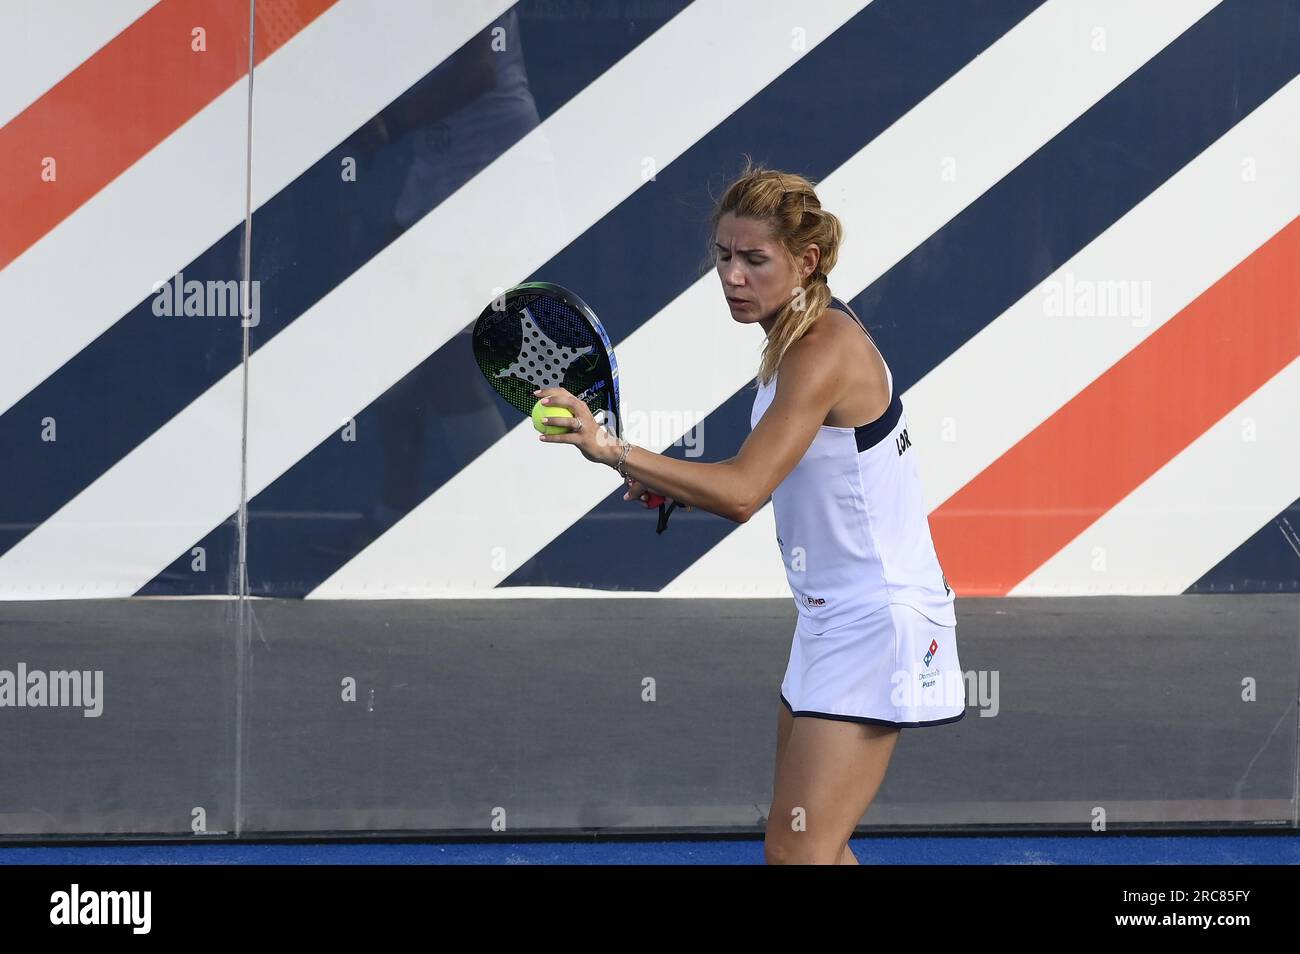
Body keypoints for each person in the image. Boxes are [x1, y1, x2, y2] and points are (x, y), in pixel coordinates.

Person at [533, 161, 964, 865]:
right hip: (831, 618)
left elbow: (741, 491)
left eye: (754, 260)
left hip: (879, 620)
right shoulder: (793, 342)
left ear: (807, 260)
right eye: (724, 257)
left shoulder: (824, 349)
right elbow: (764, 475)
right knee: (813, 850)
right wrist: (667, 483)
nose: (733, 276)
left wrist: (613, 450)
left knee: (796, 852)